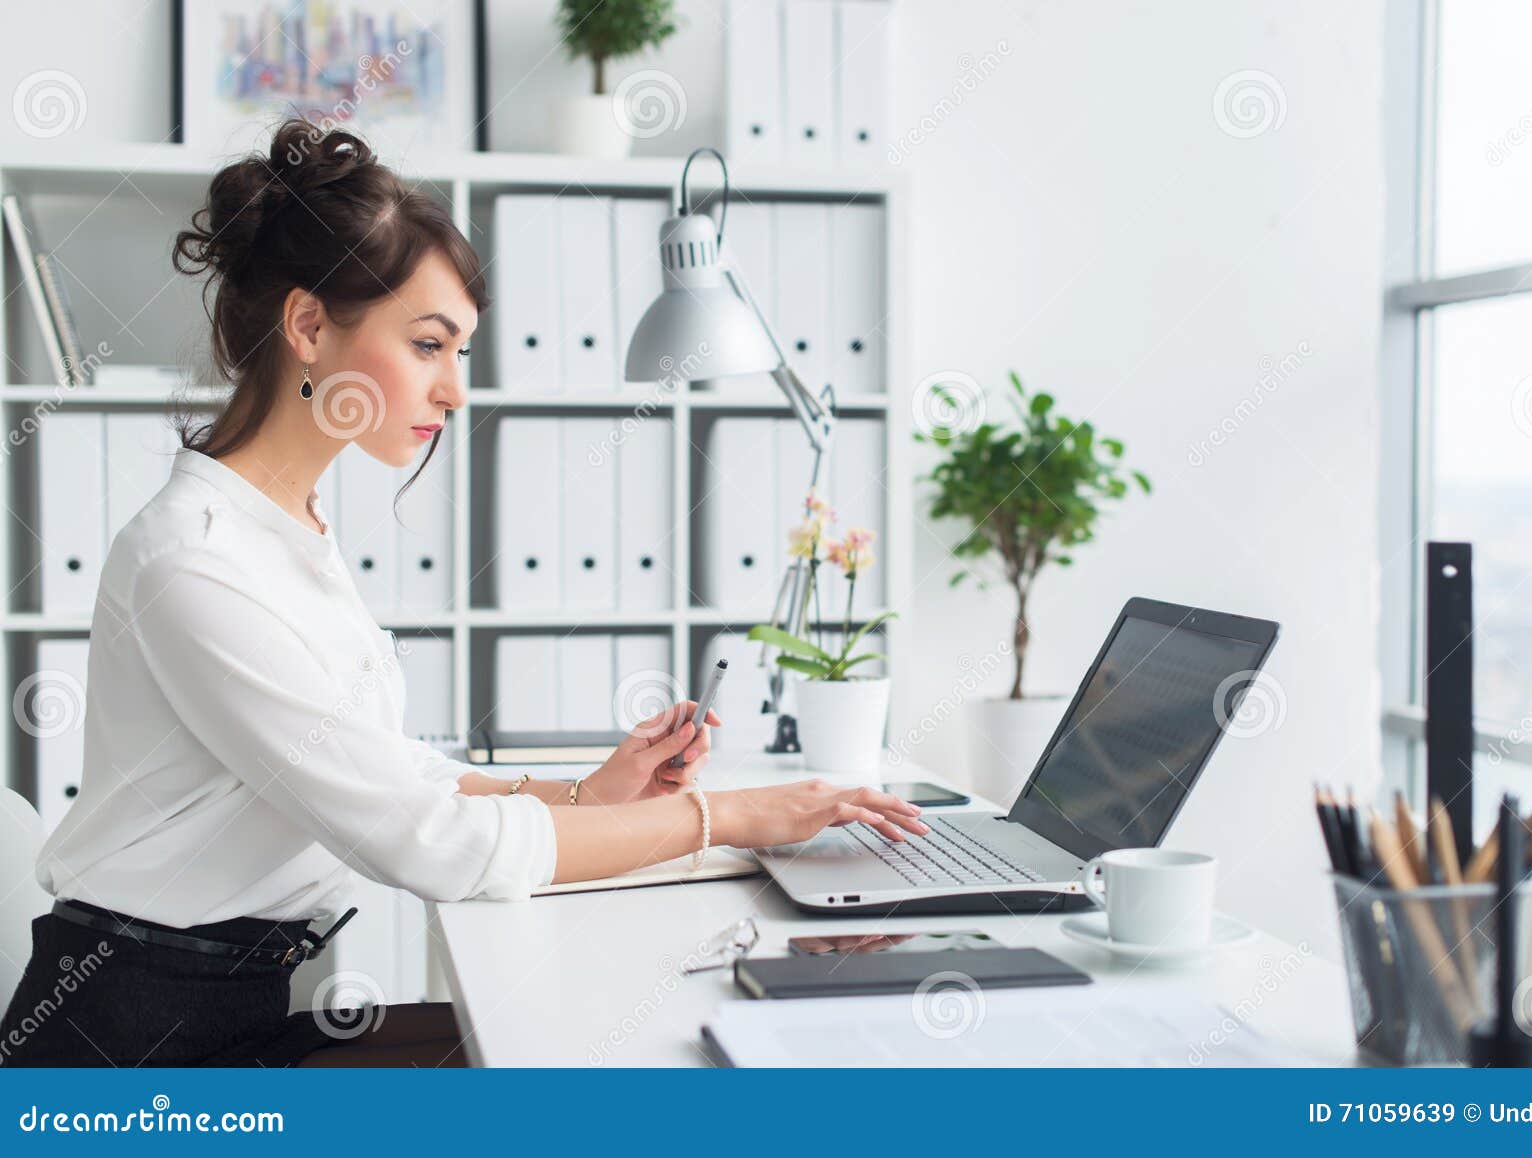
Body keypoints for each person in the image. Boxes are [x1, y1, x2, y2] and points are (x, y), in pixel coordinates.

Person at [0, 117, 926, 1068]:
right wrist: (727, 818)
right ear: (310, 326)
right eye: (430, 345)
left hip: (224, 1014)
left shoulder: (285, 531)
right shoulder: (192, 560)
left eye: (462, 353)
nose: (455, 390)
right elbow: (427, 841)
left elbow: (385, 769)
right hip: (124, 1050)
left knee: (563, 1059)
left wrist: (587, 795)